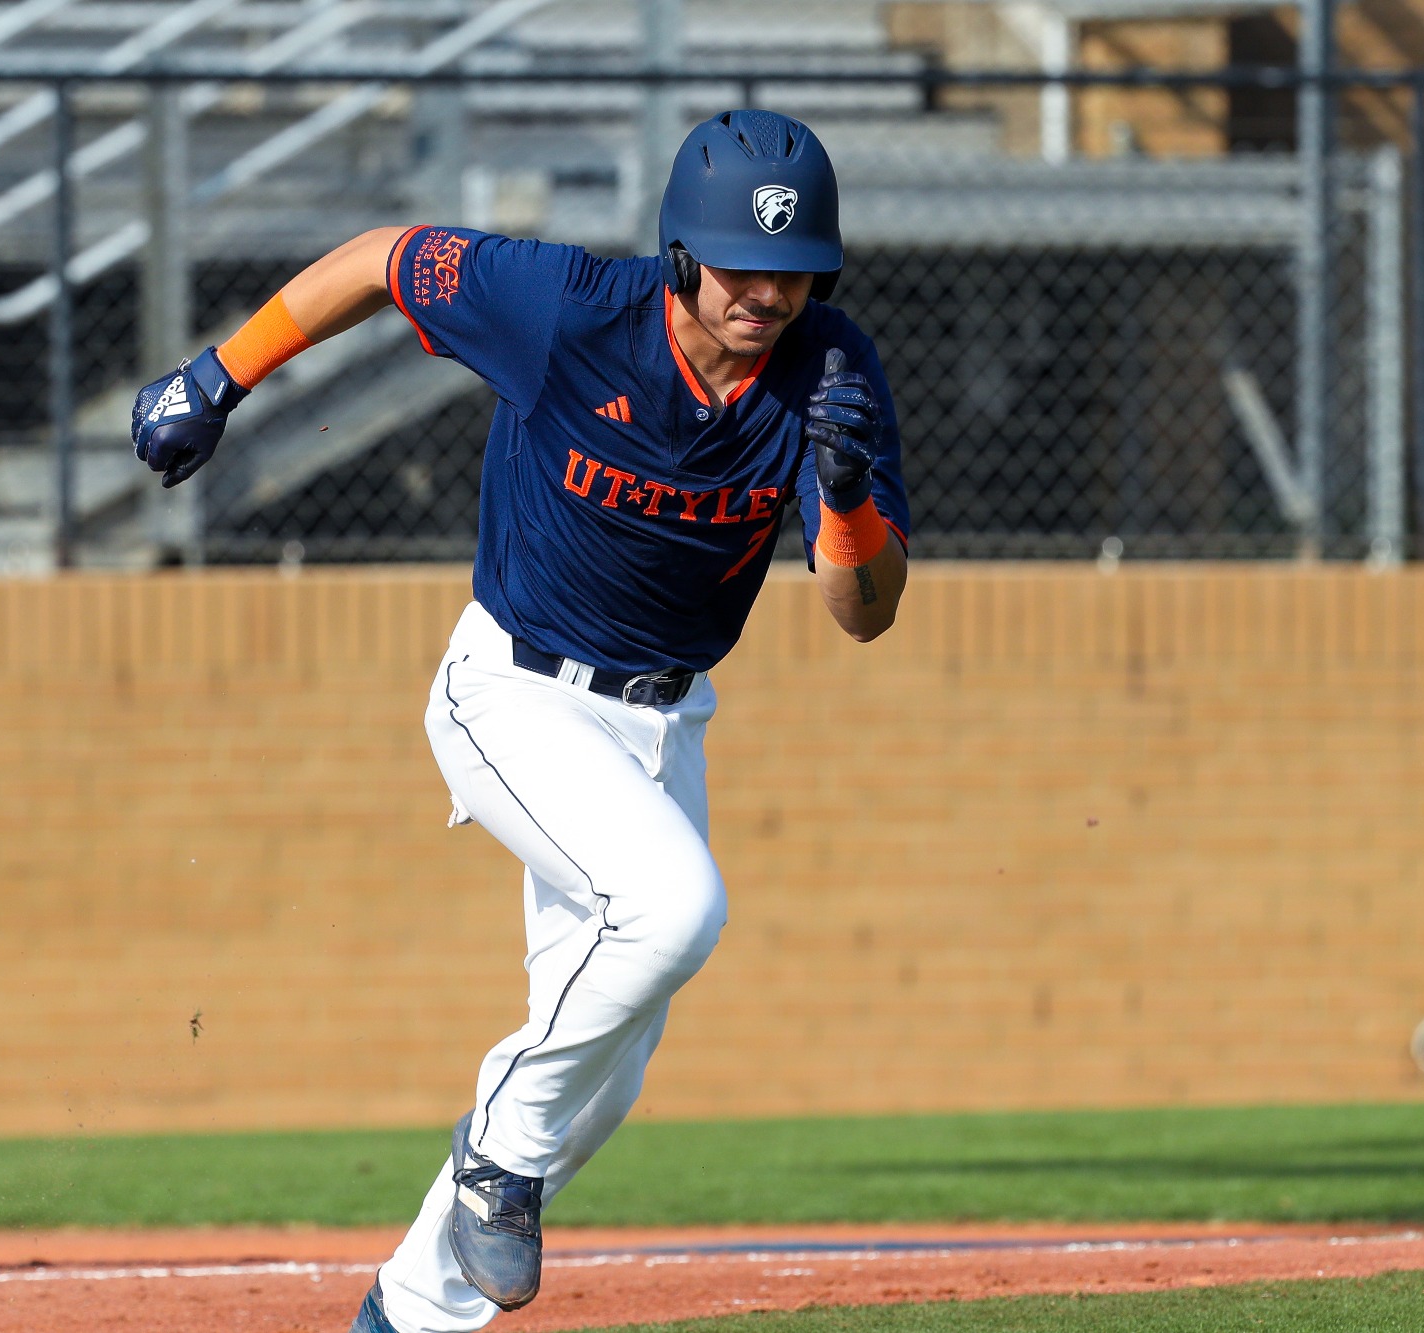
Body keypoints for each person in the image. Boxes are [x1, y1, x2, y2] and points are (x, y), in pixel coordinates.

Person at [131, 109, 910, 1333]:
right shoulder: (567, 308)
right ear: (678, 251)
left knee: (606, 1081)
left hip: (664, 725)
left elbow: (862, 613)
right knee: (674, 909)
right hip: (510, 688)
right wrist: (219, 374)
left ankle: (403, 1315)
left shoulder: (831, 373)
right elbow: (386, 258)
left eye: (794, 266)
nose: (767, 290)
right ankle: (495, 1147)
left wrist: (849, 501)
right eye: (740, 262)